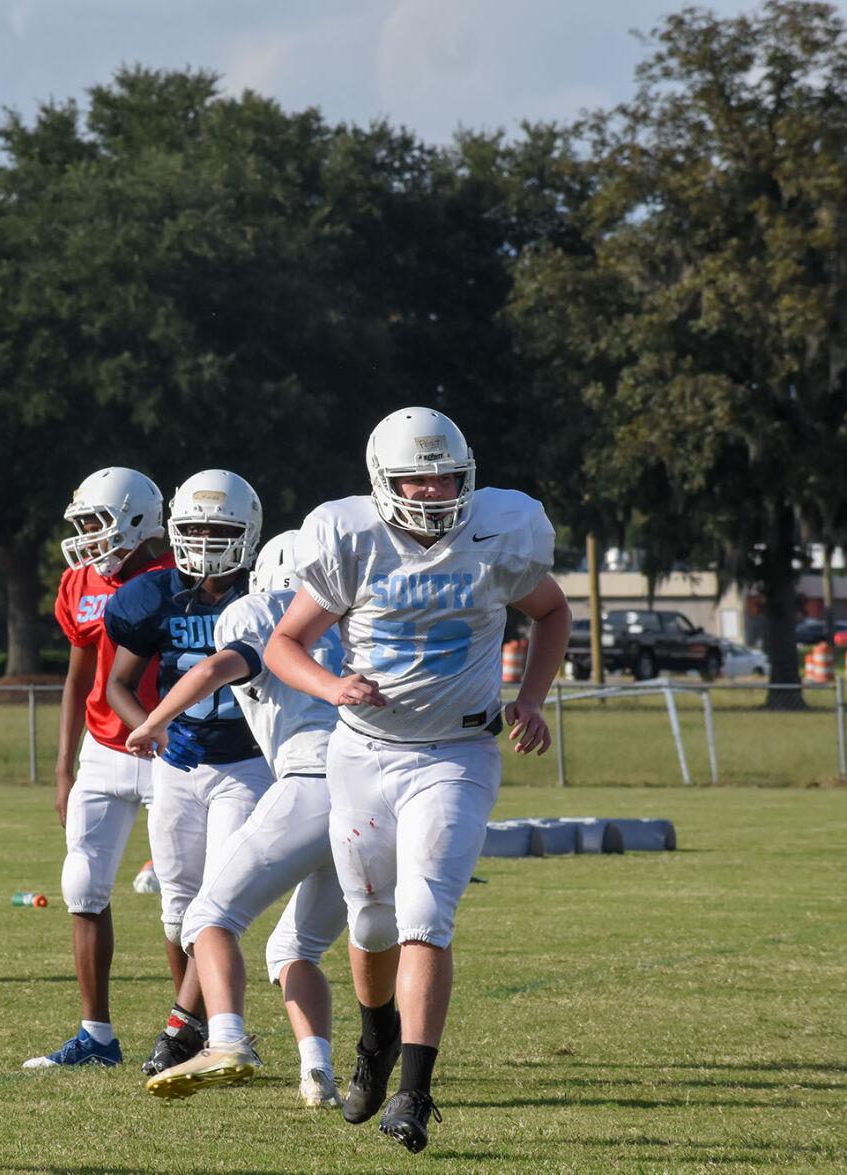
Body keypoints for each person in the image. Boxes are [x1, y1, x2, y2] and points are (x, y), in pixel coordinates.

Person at [267, 407, 568, 1153]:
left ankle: (415, 1091)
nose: (433, 491)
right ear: (383, 481)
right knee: (371, 921)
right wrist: (330, 685)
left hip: (456, 754)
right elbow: (284, 643)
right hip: (364, 753)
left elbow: (552, 610)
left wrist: (530, 697)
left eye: (446, 477)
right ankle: (375, 1037)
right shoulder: (352, 538)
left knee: (425, 910)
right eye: (416, 479)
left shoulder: (498, 532)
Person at [126, 531, 347, 1105]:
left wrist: (153, 721)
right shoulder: (352, 618)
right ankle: (317, 1073)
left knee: (207, 916)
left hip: (312, 782)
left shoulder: (263, 611)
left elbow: (215, 669)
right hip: (374, 798)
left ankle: (224, 1040)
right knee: (295, 949)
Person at [101, 469, 270, 1077]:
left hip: (247, 765)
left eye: (218, 530)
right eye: (194, 529)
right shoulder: (152, 595)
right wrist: (157, 730)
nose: (204, 542)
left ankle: (190, 1029)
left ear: (248, 532)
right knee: (177, 910)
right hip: (178, 765)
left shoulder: (267, 591)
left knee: (217, 902)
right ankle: (195, 1028)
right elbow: (118, 686)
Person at [24, 467, 176, 1070]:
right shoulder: (80, 580)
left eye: (96, 522)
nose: (87, 535)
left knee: (182, 898)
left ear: (137, 522)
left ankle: (191, 1032)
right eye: (83, 523)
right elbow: (77, 676)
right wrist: (63, 768)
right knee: (82, 886)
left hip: (167, 750)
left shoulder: (179, 576)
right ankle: (96, 1036)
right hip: (102, 750)